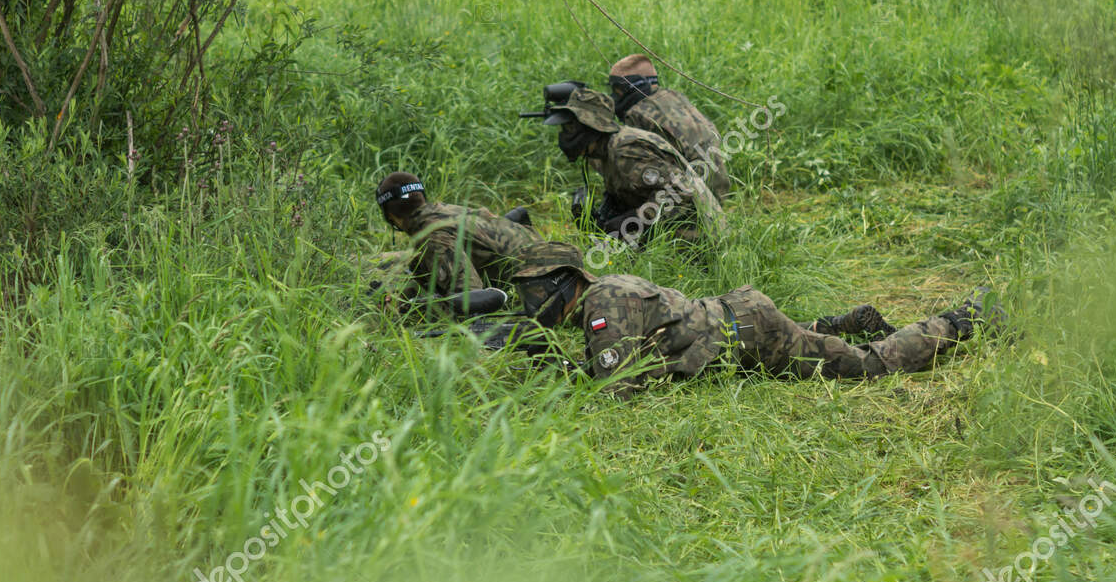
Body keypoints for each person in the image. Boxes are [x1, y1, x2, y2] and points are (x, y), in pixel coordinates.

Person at [511, 243, 999, 395]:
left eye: (533, 293)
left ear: (560, 283)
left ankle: (964, 319)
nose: (532, 305)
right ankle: (832, 324)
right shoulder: (607, 291)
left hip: (749, 335)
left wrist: (555, 380)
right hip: (741, 326)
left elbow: (619, 390)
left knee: (869, 366)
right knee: (803, 343)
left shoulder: (601, 306)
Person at [544, 87, 726, 248]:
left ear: (590, 125)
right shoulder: (605, 151)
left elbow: (679, 191)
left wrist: (635, 219)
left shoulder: (625, 151)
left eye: (570, 128)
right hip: (674, 230)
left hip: (698, 237)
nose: (565, 135)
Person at [373, 172, 554, 311]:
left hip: (544, 288)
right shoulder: (448, 210)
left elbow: (470, 300)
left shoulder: (432, 236)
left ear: (389, 215)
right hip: (554, 263)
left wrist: (406, 308)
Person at [606, 54, 729, 201]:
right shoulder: (674, 97)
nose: (615, 96)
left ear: (636, 85)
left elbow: (638, 170)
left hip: (689, 203)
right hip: (716, 194)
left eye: (618, 89)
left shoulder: (639, 114)